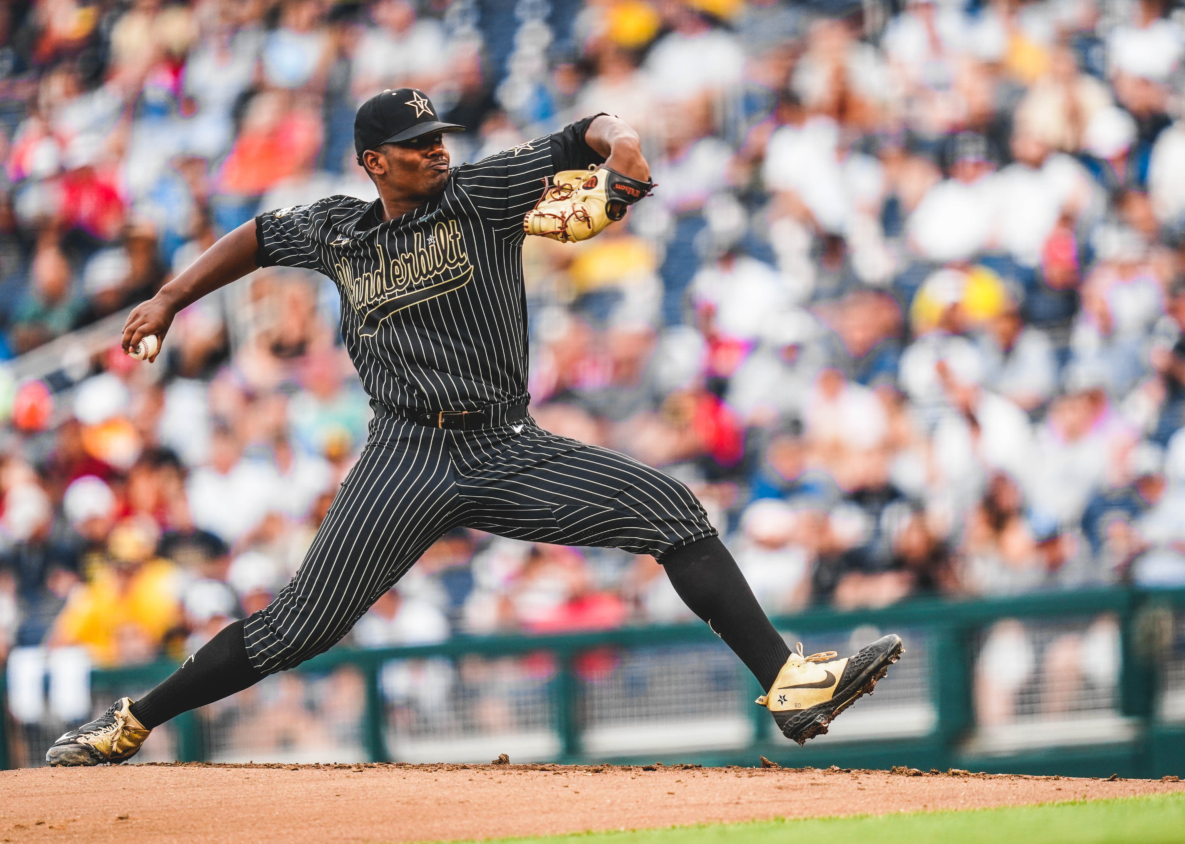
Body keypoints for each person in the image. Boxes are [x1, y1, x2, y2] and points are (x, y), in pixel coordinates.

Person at [44, 90, 903, 766]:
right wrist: (165, 299)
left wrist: (623, 144)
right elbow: (260, 238)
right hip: (404, 454)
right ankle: (132, 720)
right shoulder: (339, 229)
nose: (437, 150)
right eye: (418, 144)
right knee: (296, 628)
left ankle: (790, 685)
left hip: (502, 443)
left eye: (439, 135)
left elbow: (583, 134)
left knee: (672, 511)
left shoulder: (482, 192)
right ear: (375, 162)